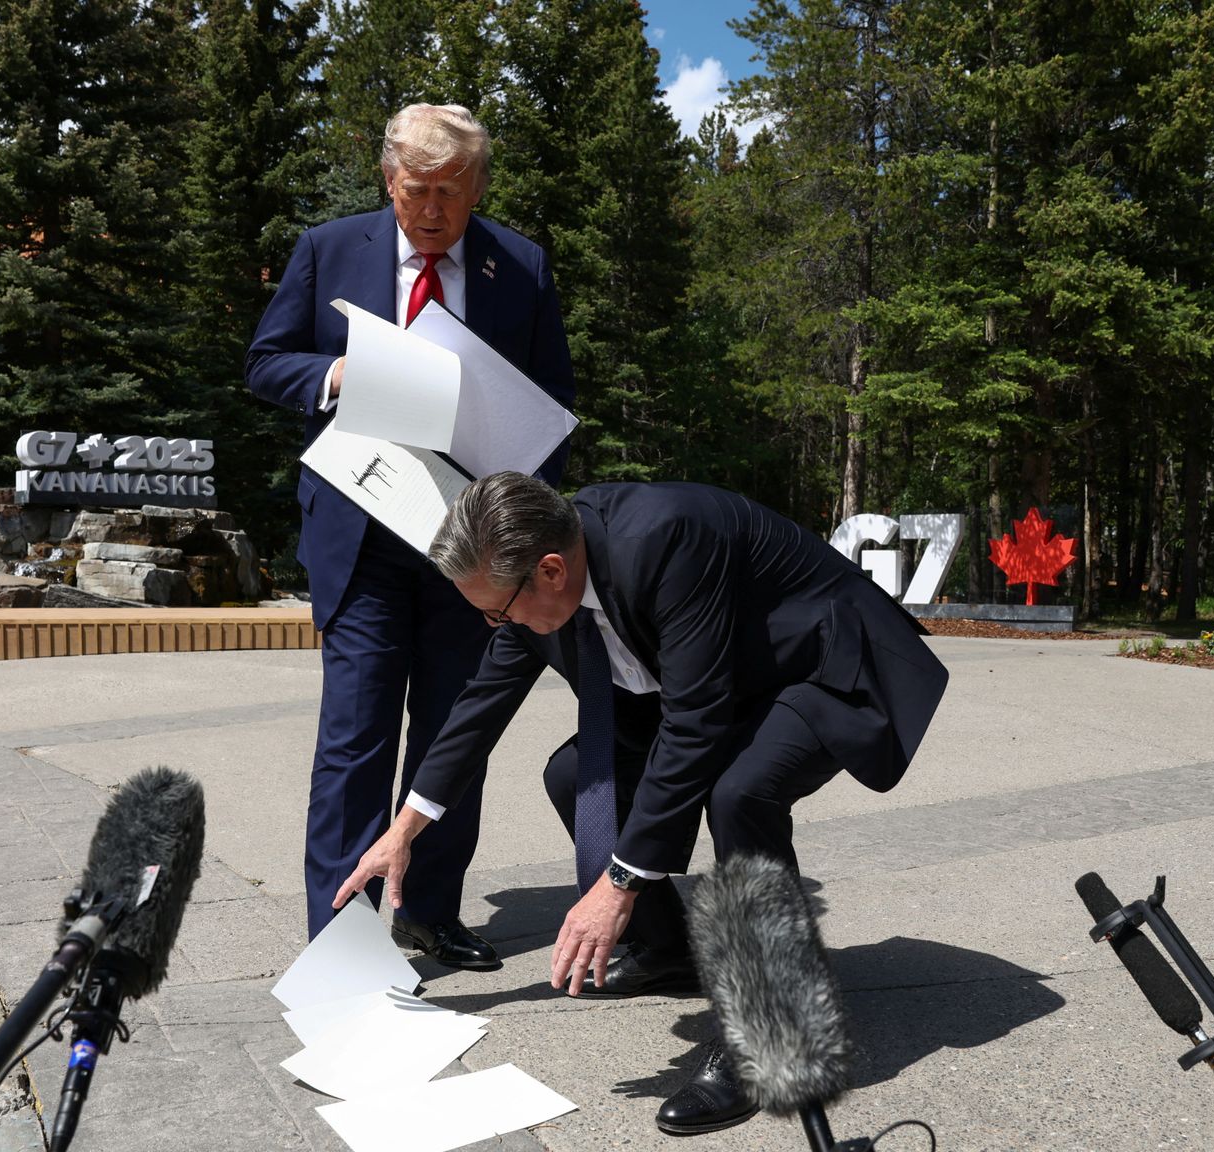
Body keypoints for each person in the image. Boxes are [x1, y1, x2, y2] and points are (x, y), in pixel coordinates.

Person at [334, 473, 949, 1135]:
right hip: (725, 681)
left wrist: (619, 883)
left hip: (817, 661)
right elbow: (480, 707)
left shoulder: (663, 538)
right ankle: (669, 951)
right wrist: (406, 829)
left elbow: (696, 725)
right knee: (576, 775)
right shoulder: (536, 581)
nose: (495, 624)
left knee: (741, 791)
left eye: (497, 610)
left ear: (549, 569)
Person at [246, 105, 575, 963]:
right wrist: (336, 374)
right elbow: (265, 362)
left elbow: (553, 409)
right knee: (354, 744)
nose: (432, 211)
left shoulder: (524, 267)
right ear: (388, 179)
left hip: (466, 548)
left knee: (450, 737)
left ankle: (428, 911)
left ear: (478, 186)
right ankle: (342, 946)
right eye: (417, 190)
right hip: (360, 537)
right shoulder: (328, 249)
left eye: (451, 193)